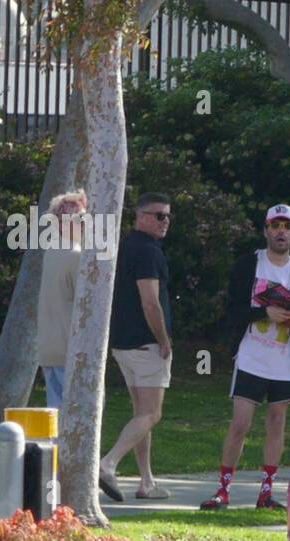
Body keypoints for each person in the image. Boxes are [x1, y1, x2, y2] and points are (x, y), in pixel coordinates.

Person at [201, 204, 290, 510]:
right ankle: (223, 490)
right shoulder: (247, 265)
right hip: (252, 356)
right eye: (275, 225)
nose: (281, 231)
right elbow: (233, 310)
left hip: (285, 360)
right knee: (241, 422)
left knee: (277, 421)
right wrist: (263, 312)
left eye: (287, 226)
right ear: (266, 229)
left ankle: (266, 493)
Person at [99, 192, 174, 502]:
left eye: (168, 216)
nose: (165, 221)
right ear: (141, 216)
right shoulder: (147, 252)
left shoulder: (124, 246)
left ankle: (146, 482)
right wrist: (164, 340)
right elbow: (150, 301)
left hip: (122, 343)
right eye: (159, 215)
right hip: (145, 343)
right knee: (152, 414)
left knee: (140, 413)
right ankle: (108, 463)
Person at [36, 189, 87, 411]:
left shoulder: (52, 252)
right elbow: (87, 304)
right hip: (69, 348)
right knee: (78, 412)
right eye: (80, 218)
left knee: (55, 412)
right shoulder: (75, 256)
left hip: (49, 347)